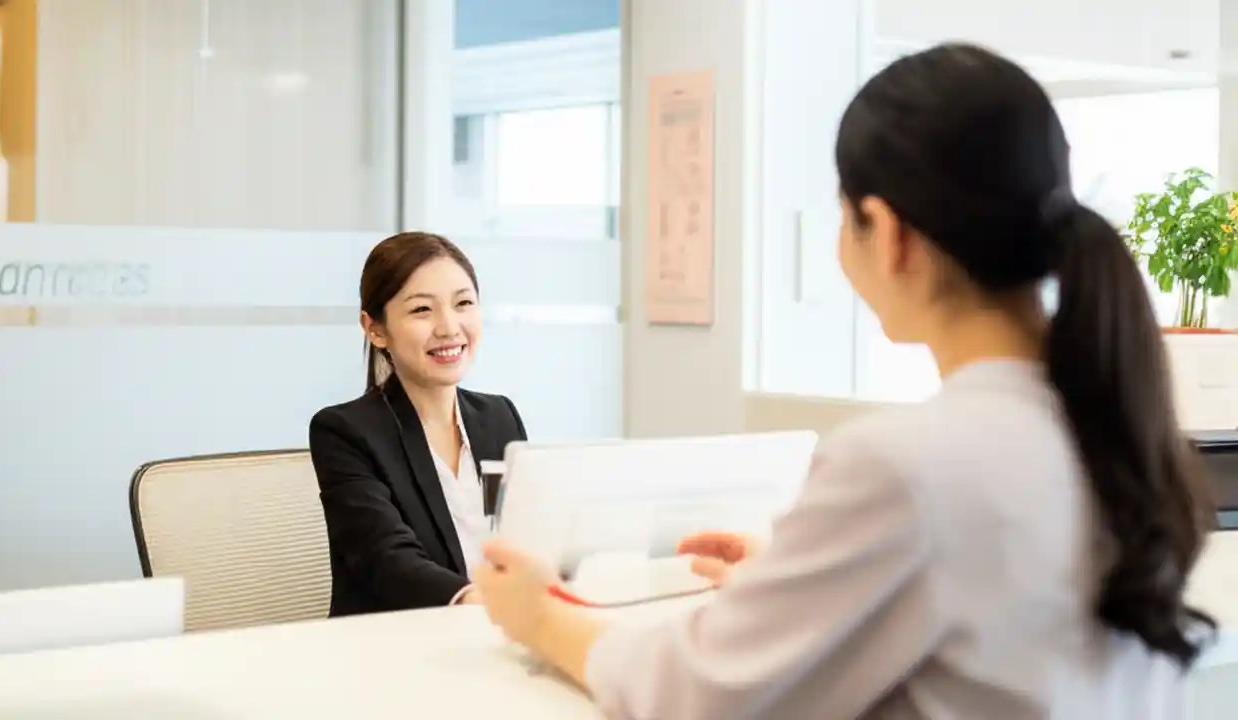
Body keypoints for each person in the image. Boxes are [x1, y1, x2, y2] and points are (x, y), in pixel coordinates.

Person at [473, 44, 1217, 719]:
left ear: (888, 231)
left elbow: (696, 694)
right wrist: (797, 593)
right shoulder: (1113, 430)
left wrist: (539, 614)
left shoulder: (907, 462)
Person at [310, 232, 527, 615]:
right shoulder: (344, 432)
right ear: (375, 329)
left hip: (494, 636)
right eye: (422, 310)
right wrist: (485, 604)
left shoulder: (499, 417)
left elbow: (525, 536)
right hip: (396, 649)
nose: (448, 327)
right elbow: (389, 562)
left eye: (463, 303)